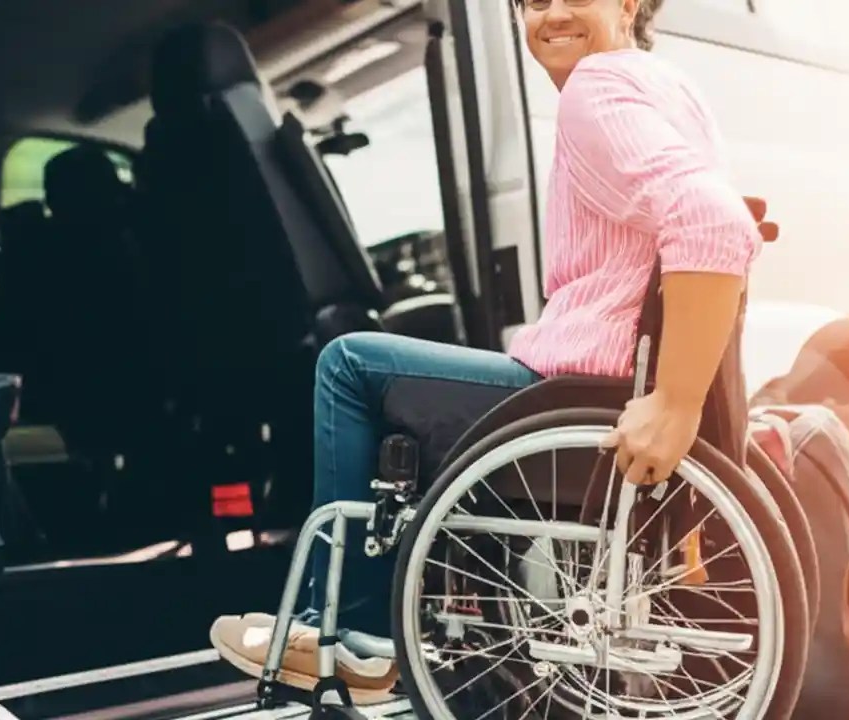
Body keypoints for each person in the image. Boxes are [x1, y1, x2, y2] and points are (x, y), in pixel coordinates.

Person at [209, 0, 770, 700]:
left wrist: (676, 404)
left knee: (349, 367)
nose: (552, 13)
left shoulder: (596, 90)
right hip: (597, 389)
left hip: (577, 399)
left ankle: (353, 635)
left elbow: (714, 223)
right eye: (534, 0)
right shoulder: (668, 86)